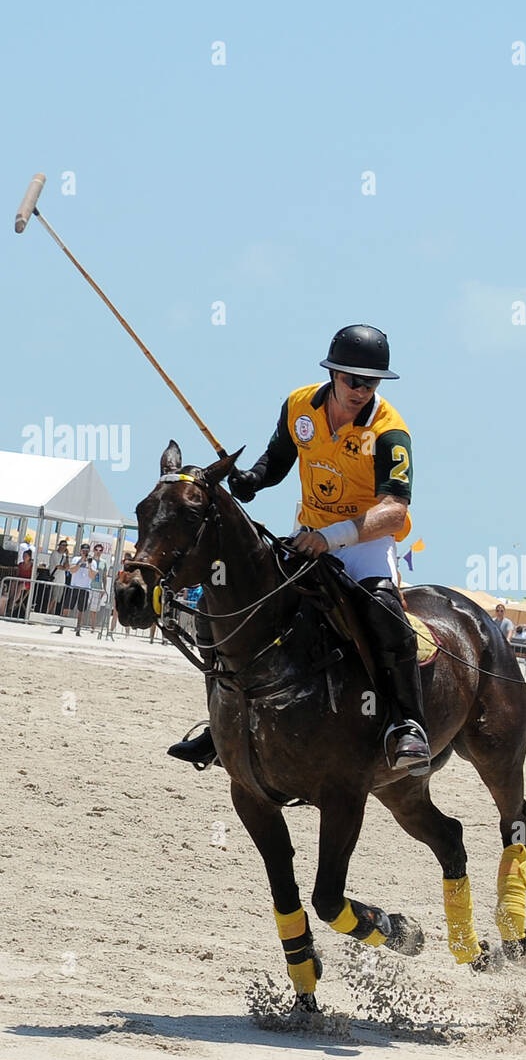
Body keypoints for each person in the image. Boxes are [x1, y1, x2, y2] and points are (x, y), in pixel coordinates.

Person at [168, 324, 430, 773]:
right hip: (306, 534)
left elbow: (395, 509)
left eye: (371, 382)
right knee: (244, 606)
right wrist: (253, 478)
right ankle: (223, 723)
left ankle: (407, 724)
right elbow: (278, 459)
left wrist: (331, 538)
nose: (362, 391)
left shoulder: (390, 431)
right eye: (353, 380)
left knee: (386, 617)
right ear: (333, 375)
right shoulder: (299, 406)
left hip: (362, 542)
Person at [55, 543, 96, 636]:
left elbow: (92, 576)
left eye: (87, 551)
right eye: (83, 551)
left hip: (85, 588)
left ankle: (78, 629)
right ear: (81, 551)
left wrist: (89, 565)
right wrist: (81, 562)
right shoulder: (76, 559)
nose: (85, 552)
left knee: (81, 610)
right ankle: (61, 627)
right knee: (66, 608)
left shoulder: (93, 562)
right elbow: (72, 570)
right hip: (74, 587)